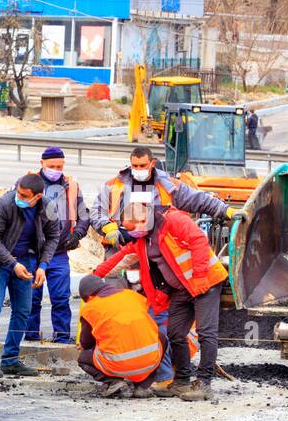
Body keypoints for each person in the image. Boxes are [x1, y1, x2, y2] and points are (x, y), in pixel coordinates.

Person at [93, 206, 227, 401]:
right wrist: (94, 276)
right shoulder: (142, 241)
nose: (133, 231)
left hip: (206, 282)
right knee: (174, 333)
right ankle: (181, 381)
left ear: (145, 218)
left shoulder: (174, 222)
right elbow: (119, 259)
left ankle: (204, 383)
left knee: (206, 333)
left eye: (135, 226)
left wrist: (198, 276)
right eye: (129, 229)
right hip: (182, 288)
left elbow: (199, 241)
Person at [0, 174, 60, 378]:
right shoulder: (4, 203)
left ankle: (10, 360)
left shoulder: (47, 207)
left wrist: (43, 266)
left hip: (26, 262)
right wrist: (12, 264)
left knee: (23, 311)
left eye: (24, 195)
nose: (19, 197)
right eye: (18, 192)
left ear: (38, 197)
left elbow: (53, 236)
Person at [93, 145, 232, 247]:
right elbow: (96, 211)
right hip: (120, 243)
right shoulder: (114, 185)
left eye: (142, 166)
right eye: (135, 166)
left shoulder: (168, 185)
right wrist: (107, 227)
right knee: (115, 282)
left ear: (152, 164)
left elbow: (199, 199)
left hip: (156, 246)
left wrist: (225, 210)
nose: (138, 170)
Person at [25, 145, 92, 344]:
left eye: (59, 166)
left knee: (61, 298)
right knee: (31, 299)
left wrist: (78, 234)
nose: (56, 169)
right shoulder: (28, 184)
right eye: (52, 165)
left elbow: (84, 215)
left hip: (59, 252)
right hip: (33, 253)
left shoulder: (71, 186)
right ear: (42, 164)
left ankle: (62, 337)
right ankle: (29, 337)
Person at [75, 274, 165, 398]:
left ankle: (115, 382)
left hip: (116, 365)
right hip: (148, 362)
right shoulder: (132, 296)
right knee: (161, 338)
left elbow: (86, 343)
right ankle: (142, 386)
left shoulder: (90, 308)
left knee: (83, 358)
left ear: (89, 296)